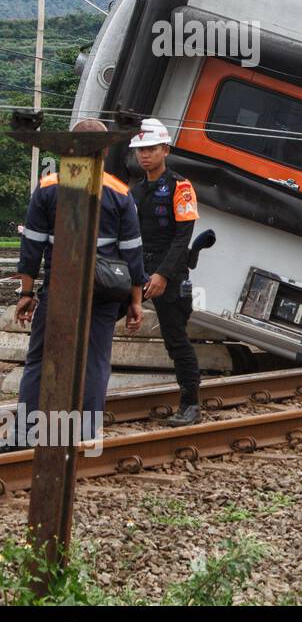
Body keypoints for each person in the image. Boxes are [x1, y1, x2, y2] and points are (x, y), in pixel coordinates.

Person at [12, 120, 146, 449]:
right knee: (95, 359)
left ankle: (25, 435)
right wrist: (136, 301)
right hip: (104, 291)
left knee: (40, 359)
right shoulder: (118, 191)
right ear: (104, 149)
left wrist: (26, 293)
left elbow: (31, 248)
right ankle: (83, 436)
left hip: (59, 285)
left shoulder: (48, 186)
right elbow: (133, 255)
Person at [128, 119, 205, 426]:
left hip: (169, 273)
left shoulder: (181, 187)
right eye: (140, 150)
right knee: (102, 318)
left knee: (176, 339)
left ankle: (190, 405)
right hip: (136, 268)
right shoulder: (134, 190)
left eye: (151, 149)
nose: (144, 155)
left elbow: (183, 237)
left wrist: (161, 275)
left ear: (165, 150)